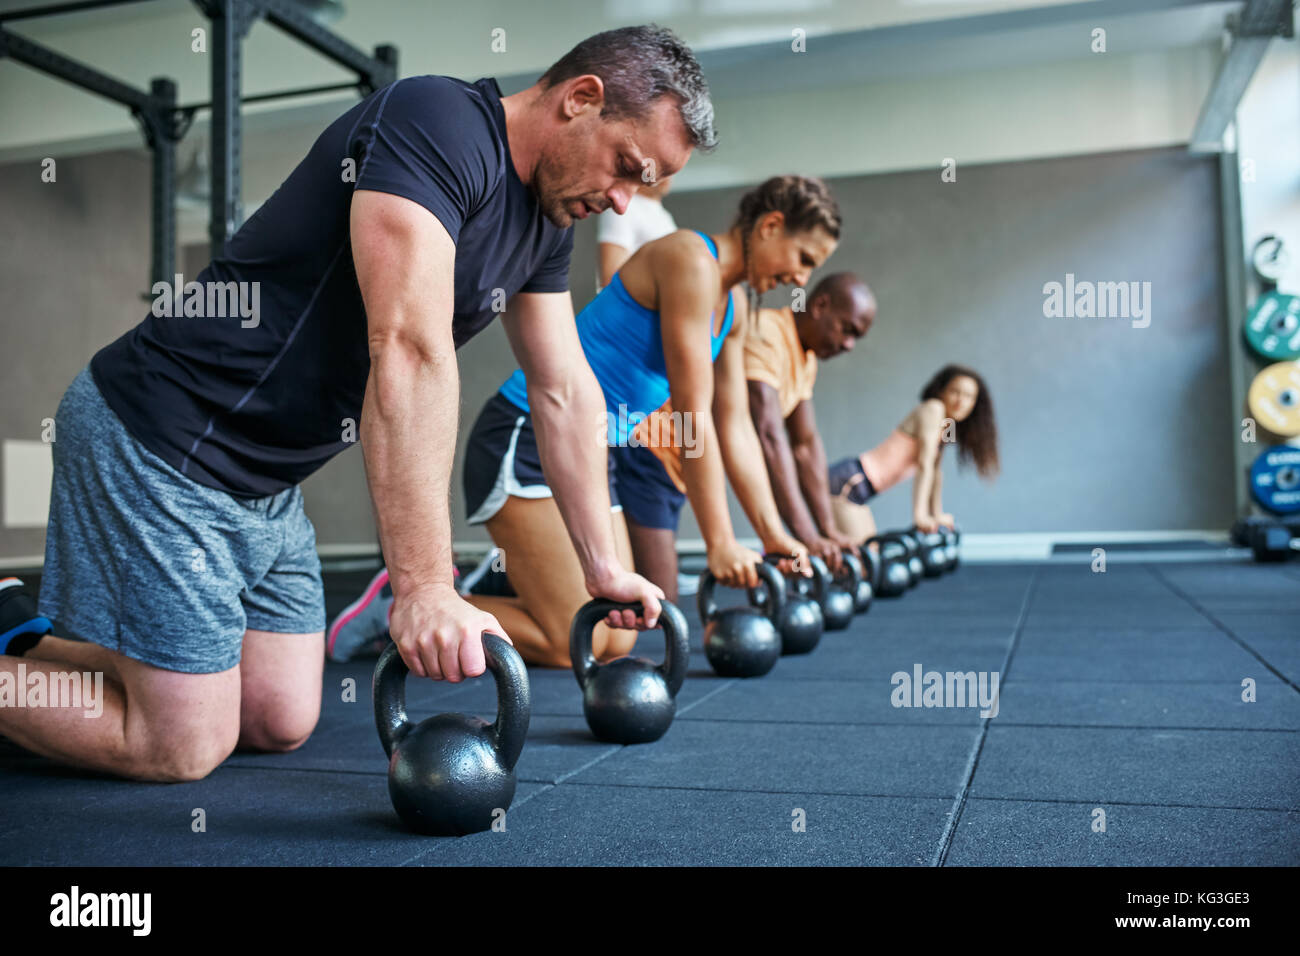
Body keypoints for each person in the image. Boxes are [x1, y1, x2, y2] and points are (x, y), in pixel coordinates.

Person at [0, 26, 715, 782]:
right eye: (629, 168)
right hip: (163, 440)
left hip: (267, 482)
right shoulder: (435, 123)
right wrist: (424, 586)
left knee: (276, 718)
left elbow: (564, 389)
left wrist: (600, 566)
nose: (623, 201)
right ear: (581, 98)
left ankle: (19, 628)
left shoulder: (545, 222)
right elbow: (407, 346)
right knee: (180, 744)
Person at [460, 175, 840, 666]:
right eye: (804, 259)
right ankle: (410, 609)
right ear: (771, 226)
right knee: (572, 640)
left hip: (592, 456)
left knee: (615, 634)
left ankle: (504, 583)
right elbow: (691, 413)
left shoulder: (737, 308)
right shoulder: (688, 259)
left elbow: (736, 426)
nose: (802, 280)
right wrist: (718, 543)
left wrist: (771, 535)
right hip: (526, 435)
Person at [745, 273, 876, 575]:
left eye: (856, 337)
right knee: (656, 604)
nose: (849, 345)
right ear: (820, 305)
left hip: (686, 462)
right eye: (847, 330)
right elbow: (769, 437)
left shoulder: (806, 358)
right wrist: (807, 537)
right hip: (656, 448)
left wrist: (828, 530)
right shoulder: (766, 333)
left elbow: (805, 445)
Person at [828, 365, 999, 545]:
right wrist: (920, 516)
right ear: (941, 392)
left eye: (969, 397)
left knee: (868, 556)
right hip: (849, 483)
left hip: (858, 488)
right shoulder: (934, 409)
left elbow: (935, 471)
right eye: (955, 392)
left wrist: (937, 514)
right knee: (865, 561)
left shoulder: (947, 424)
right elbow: (924, 464)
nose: (960, 401)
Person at [596, 175, 676, 289]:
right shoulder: (623, 208)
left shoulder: (665, 216)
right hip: (634, 304)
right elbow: (611, 278)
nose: (668, 175)